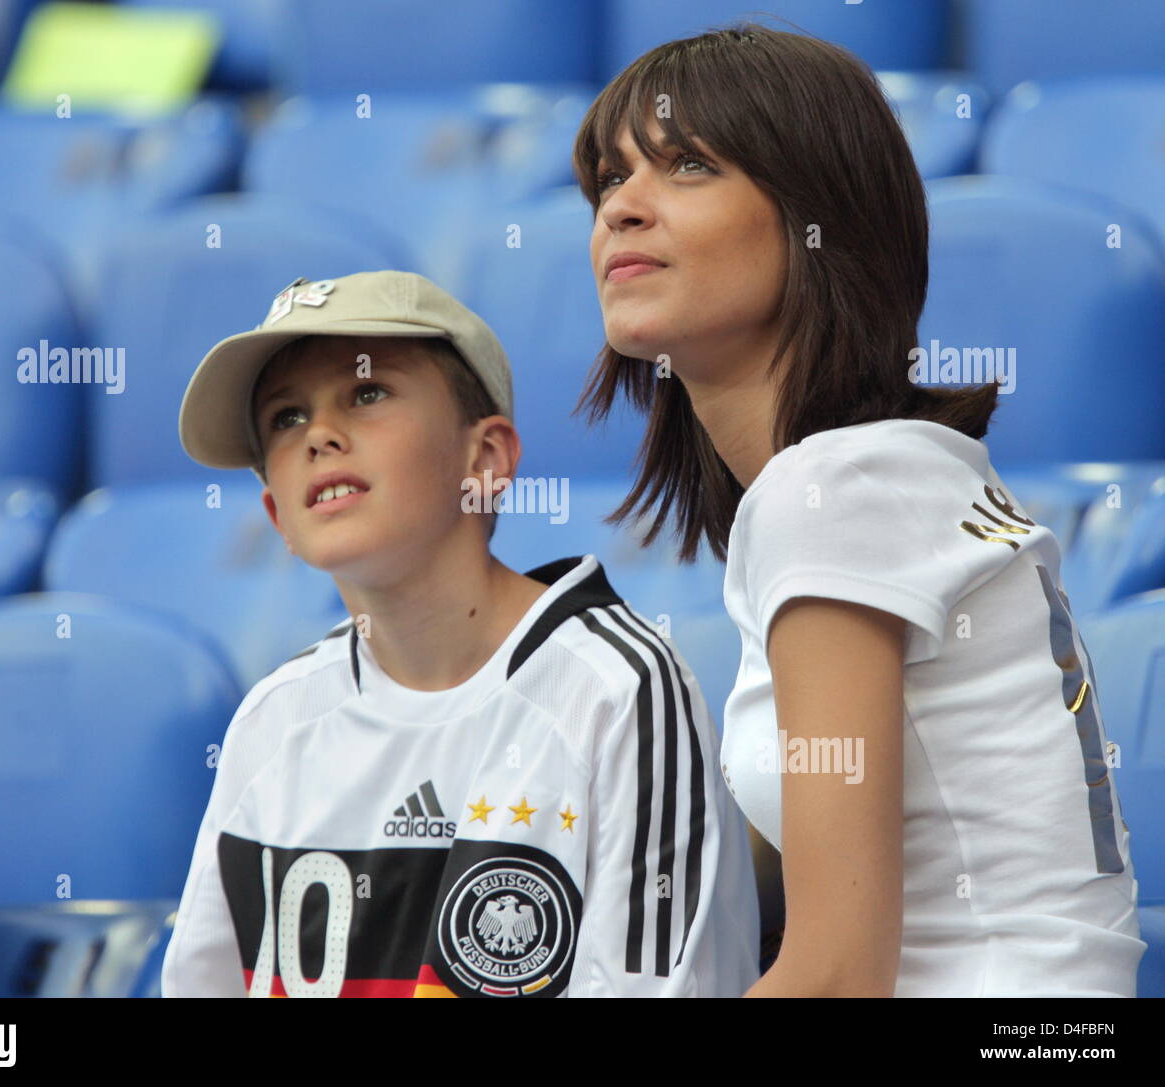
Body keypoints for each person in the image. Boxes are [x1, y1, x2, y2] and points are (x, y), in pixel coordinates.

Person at [570, 24, 1145, 996]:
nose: (621, 208)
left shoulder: (833, 492)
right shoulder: (884, 477)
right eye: (607, 179)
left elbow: (838, 976)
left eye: (686, 166)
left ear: (817, 219)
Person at [162, 270, 760, 997]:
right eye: (285, 418)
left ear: (486, 459)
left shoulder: (616, 689)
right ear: (277, 515)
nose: (318, 434)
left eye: (368, 392)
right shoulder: (272, 718)